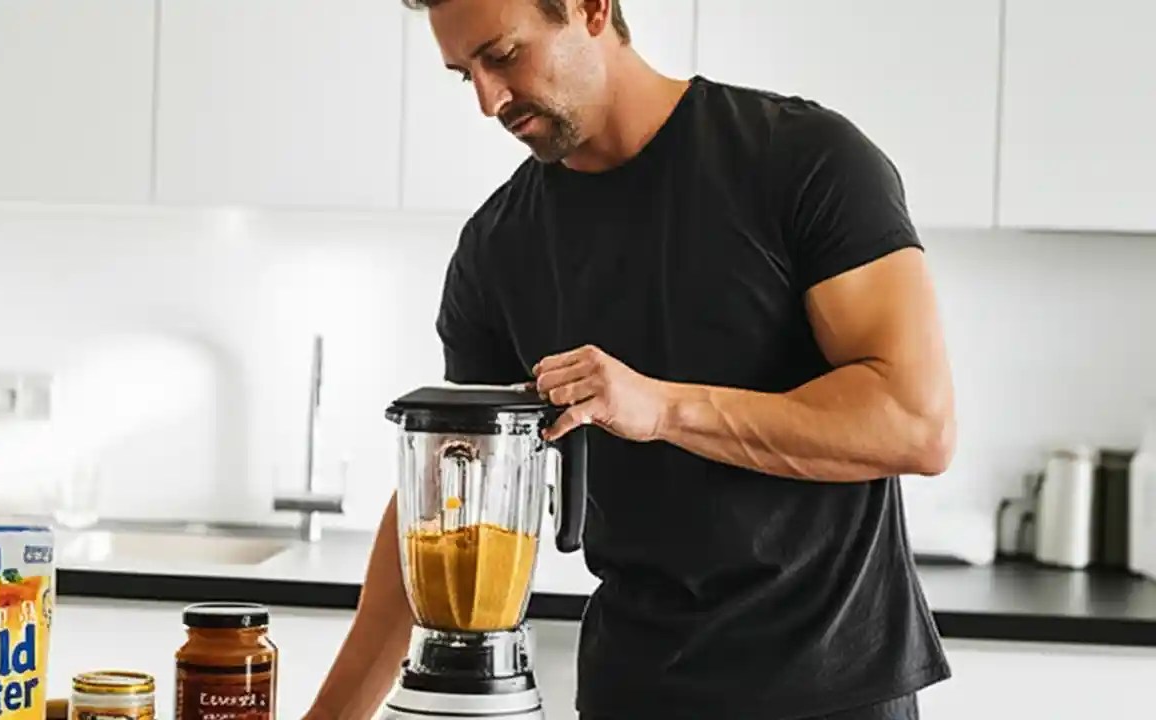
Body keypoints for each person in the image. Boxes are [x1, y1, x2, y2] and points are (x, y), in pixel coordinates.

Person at [304, 0, 957, 717]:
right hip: (632, 692)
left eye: (503, 55)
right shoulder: (498, 249)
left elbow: (913, 423)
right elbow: (444, 500)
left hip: (832, 688)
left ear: (590, 8)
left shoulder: (802, 159)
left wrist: (661, 406)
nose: (490, 101)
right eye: (467, 77)